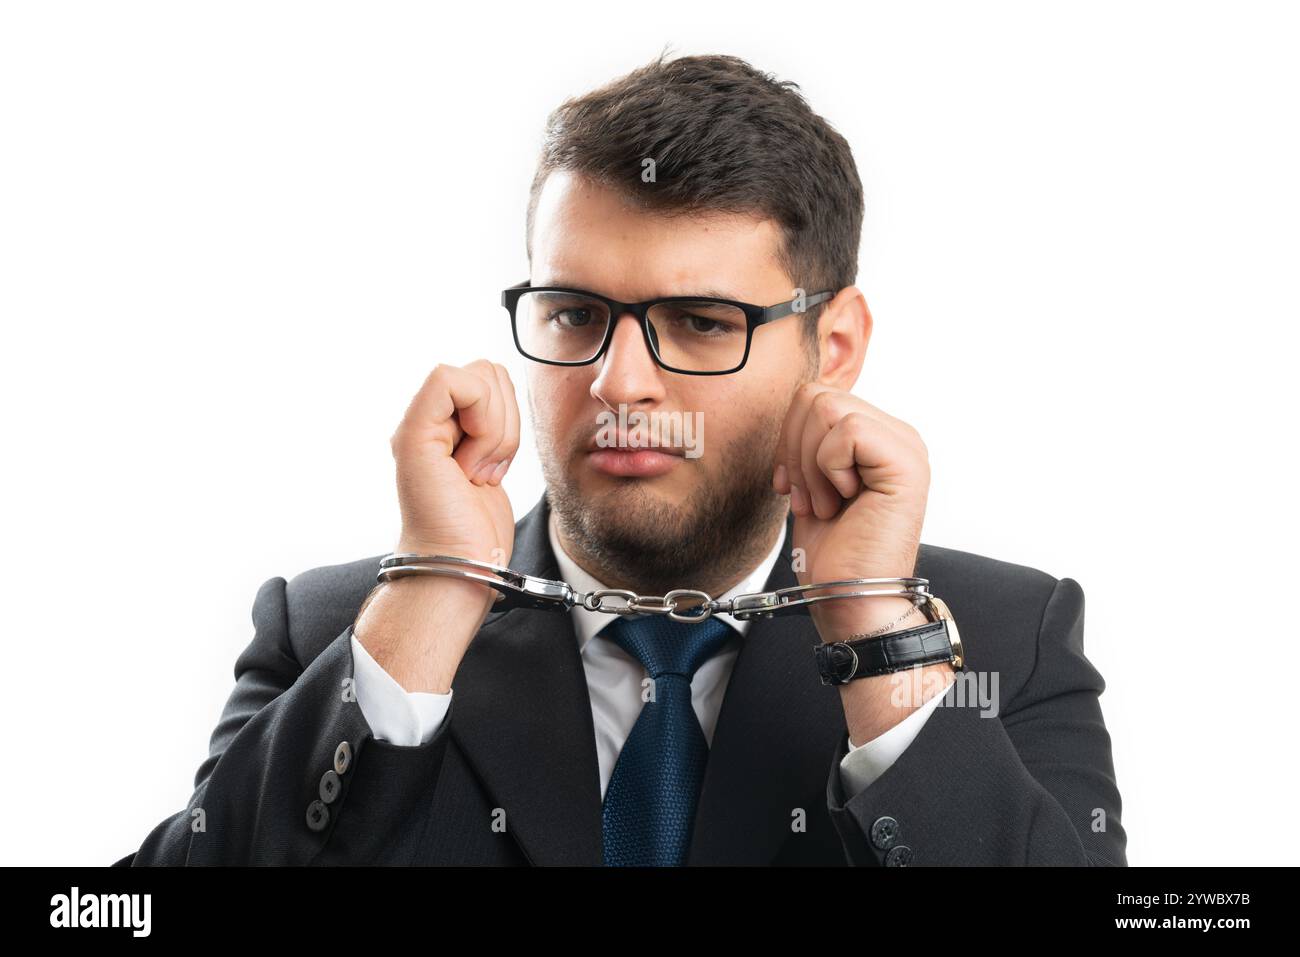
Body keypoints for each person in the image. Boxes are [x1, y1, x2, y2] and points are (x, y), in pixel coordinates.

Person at [116, 52, 1125, 867]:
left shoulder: (997, 641)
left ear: (835, 349)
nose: (618, 384)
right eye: (574, 314)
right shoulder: (342, 636)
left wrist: (876, 634)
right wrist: (432, 595)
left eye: (697, 322)